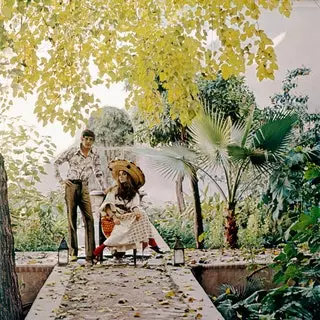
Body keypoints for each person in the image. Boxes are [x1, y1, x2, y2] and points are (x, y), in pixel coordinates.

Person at [54, 129, 109, 263]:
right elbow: (56, 162)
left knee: (89, 218)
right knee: (72, 218)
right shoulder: (73, 151)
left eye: (91, 140)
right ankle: (73, 252)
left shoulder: (94, 153)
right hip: (71, 185)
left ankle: (91, 254)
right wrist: (61, 180)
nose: (88, 142)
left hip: (84, 186)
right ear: (82, 139)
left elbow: (98, 172)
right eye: (86, 139)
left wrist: (104, 188)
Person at [93, 159, 163, 260]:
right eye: (119, 174)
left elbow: (135, 205)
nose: (121, 177)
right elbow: (107, 205)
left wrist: (136, 211)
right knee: (133, 220)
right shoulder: (114, 190)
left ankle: (151, 241)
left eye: (124, 174)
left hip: (127, 216)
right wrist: (113, 218)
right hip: (116, 216)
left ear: (128, 176)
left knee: (141, 213)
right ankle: (152, 242)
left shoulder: (133, 192)